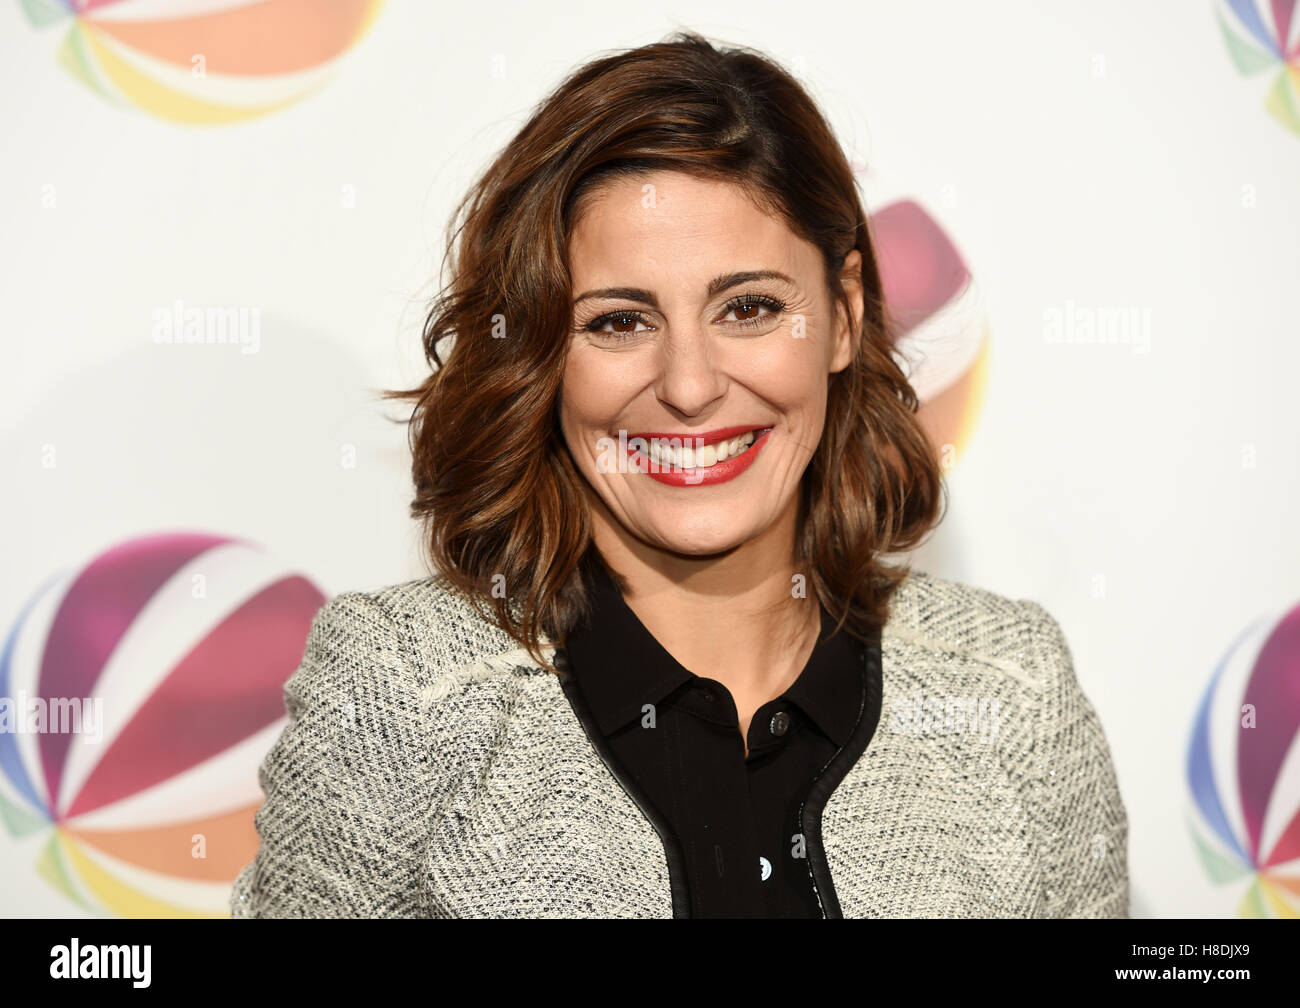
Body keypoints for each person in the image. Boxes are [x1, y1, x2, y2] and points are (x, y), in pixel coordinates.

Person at [231, 31, 1128, 918]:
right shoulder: (402, 691)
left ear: (845, 315)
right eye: (619, 322)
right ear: (539, 351)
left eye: (750, 307)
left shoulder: (1011, 689)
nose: (690, 387)